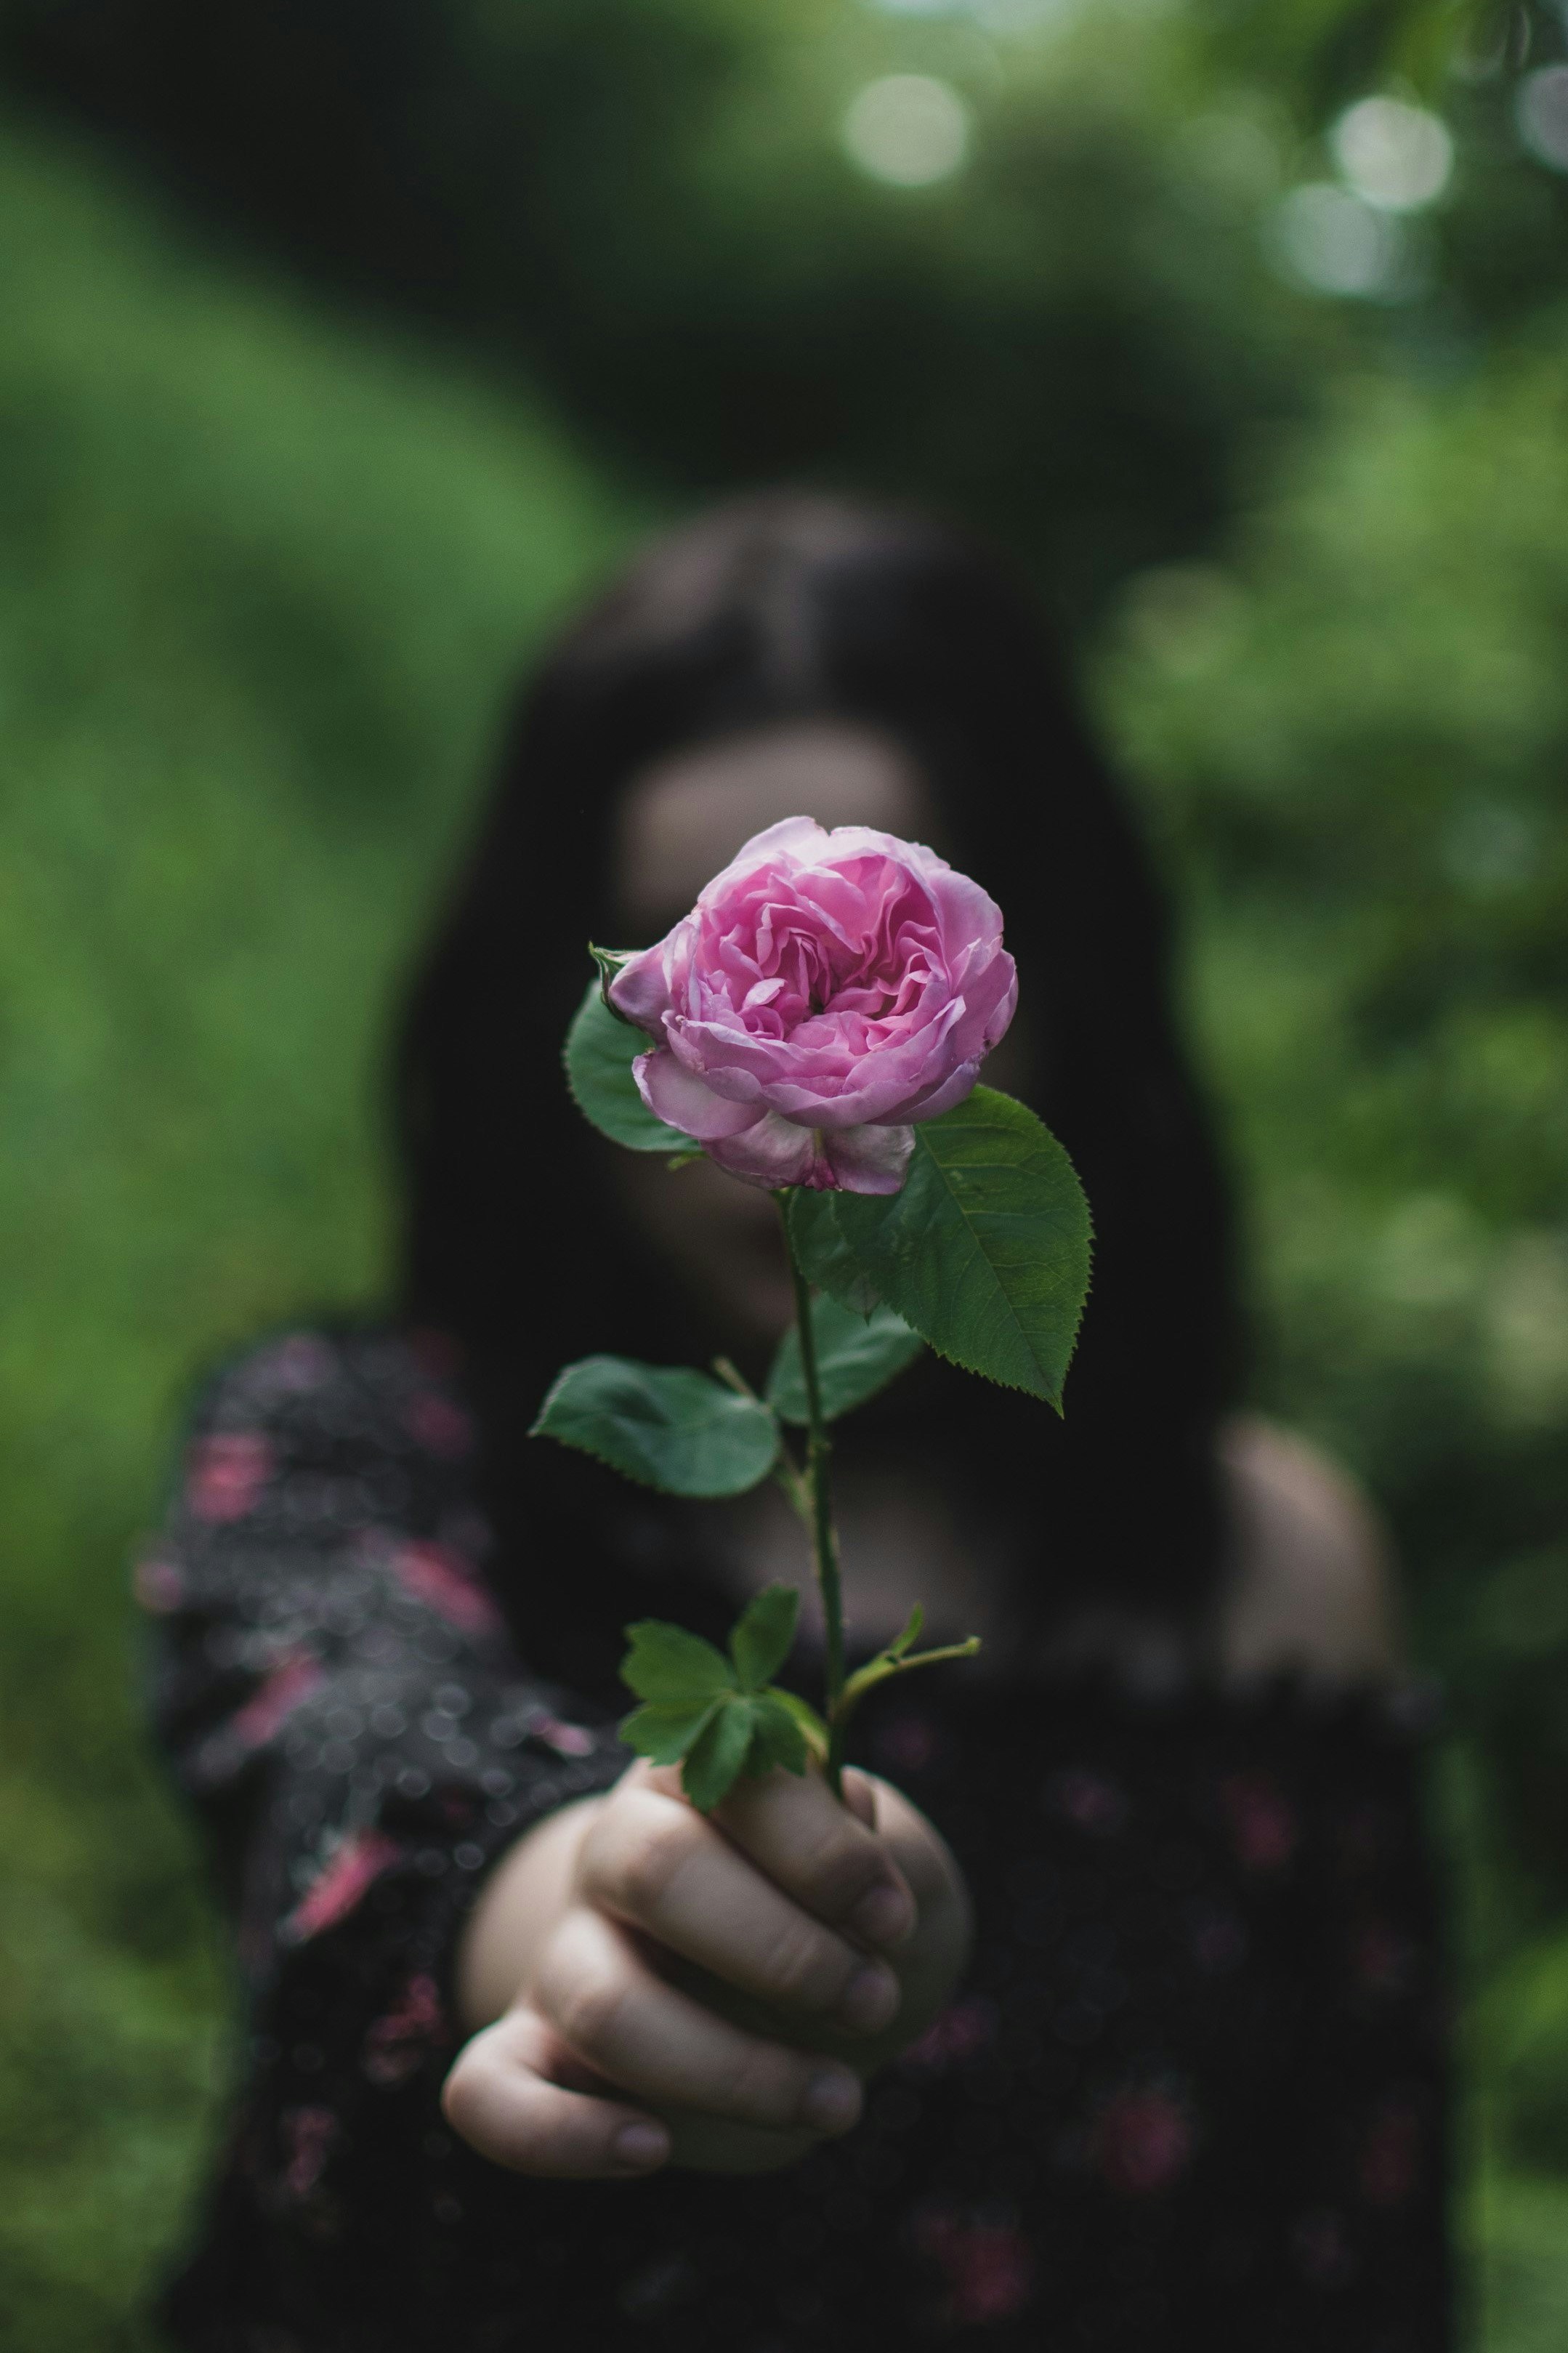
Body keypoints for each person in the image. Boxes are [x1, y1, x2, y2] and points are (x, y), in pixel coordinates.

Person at [144, 494, 1451, 2350]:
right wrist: (580, 1912)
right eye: (679, 972)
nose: (773, 1099)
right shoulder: (352, 1444)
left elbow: (1354, 2237)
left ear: (1041, 986)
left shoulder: (1269, 1569)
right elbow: (359, 1760)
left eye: (866, 985)